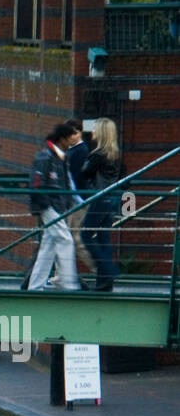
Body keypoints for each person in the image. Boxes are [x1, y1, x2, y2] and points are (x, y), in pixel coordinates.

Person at [26, 122, 80, 292]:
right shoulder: (48, 157)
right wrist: (47, 204)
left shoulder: (57, 157)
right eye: (70, 136)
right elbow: (37, 184)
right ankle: (68, 283)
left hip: (53, 205)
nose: (73, 139)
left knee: (48, 246)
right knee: (65, 239)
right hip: (49, 206)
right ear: (62, 139)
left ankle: (35, 285)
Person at [81, 118, 125, 291]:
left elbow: (85, 172)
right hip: (112, 199)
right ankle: (104, 283)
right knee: (103, 237)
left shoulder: (97, 155)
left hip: (100, 198)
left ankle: (108, 270)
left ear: (101, 133)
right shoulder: (115, 154)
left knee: (85, 235)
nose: (93, 132)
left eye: (95, 129)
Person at [62, 121, 96, 275]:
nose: (71, 137)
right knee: (67, 237)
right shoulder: (74, 150)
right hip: (75, 199)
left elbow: (75, 177)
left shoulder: (80, 151)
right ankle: (63, 274)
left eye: (75, 133)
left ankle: (98, 270)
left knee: (75, 238)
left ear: (80, 133)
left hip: (78, 200)